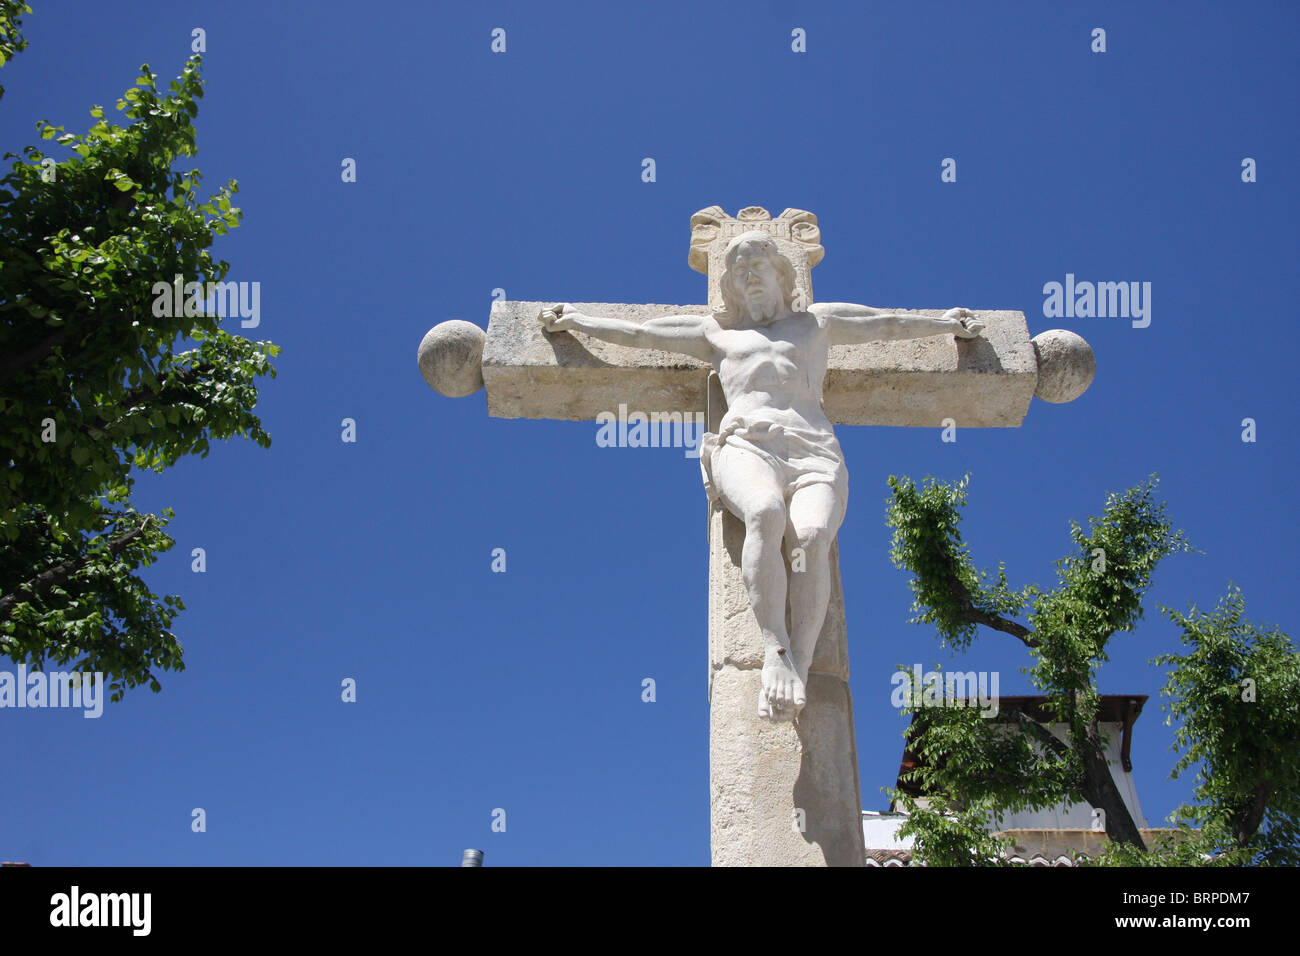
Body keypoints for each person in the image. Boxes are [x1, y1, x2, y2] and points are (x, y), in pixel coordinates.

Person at [540, 231, 982, 720]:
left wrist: (945, 324)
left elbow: (886, 322)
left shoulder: (817, 323)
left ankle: (800, 659)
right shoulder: (716, 334)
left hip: (814, 450)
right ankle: (774, 646)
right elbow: (642, 334)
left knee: (812, 536)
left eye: (757, 265)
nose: (748, 276)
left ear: (780, 273)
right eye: (738, 270)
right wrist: (579, 321)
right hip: (747, 443)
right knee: (765, 511)